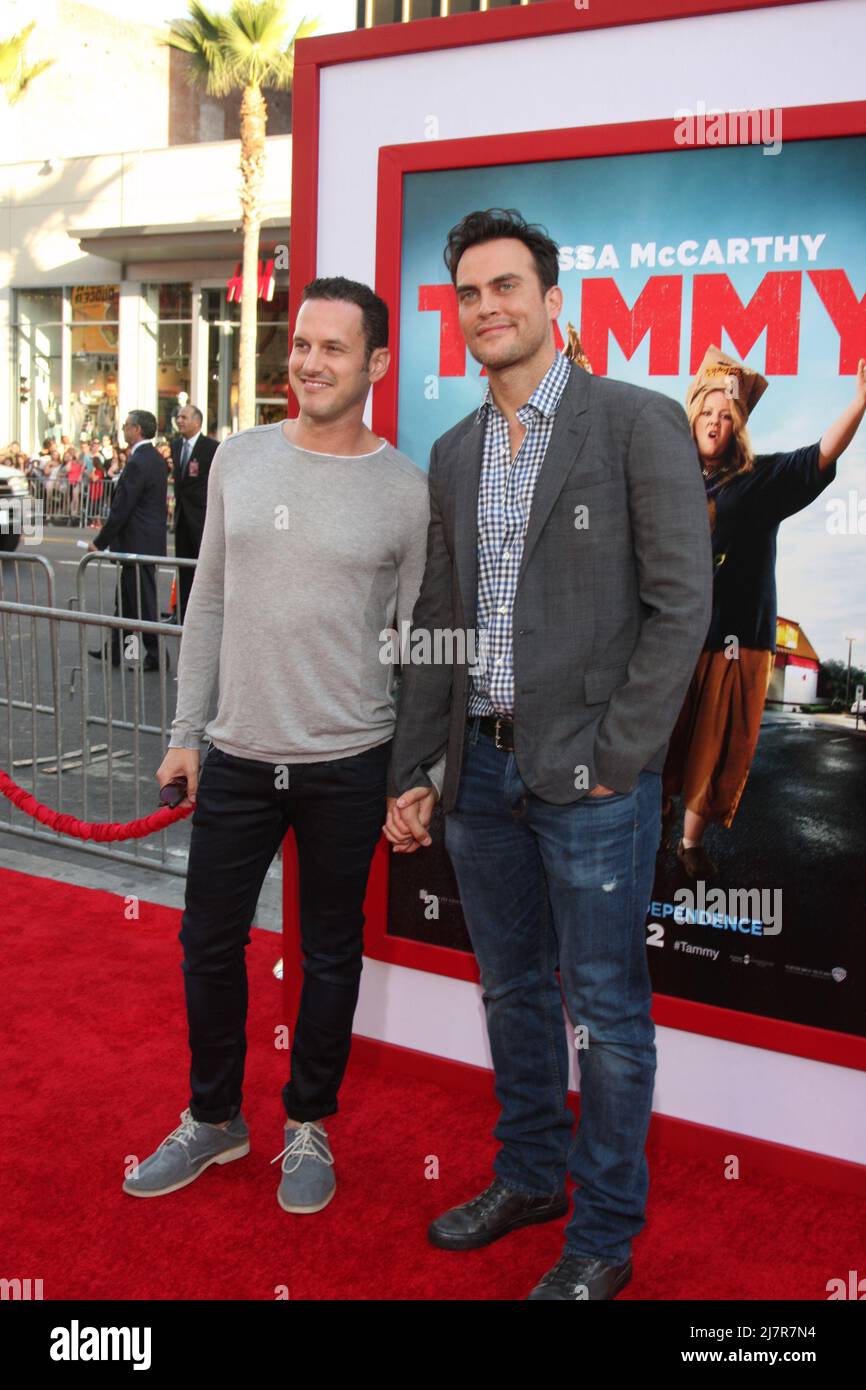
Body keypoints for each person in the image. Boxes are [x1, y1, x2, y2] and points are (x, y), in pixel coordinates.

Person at [384, 208, 713, 1301]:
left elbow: (680, 608)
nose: (486, 307)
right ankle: (528, 1176)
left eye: (505, 287)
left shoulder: (634, 422)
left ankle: (604, 1232)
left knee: (608, 1013)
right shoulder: (454, 448)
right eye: (468, 292)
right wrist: (416, 770)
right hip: (476, 774)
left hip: (589, 782)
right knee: (511, 991)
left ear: (551, 299)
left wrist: (619, 757)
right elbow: (437, 616)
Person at [125, 276, 444, 1216]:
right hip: (236, 754)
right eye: (300, 344)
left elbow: (417, 644)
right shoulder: (239, 462)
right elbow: (210, 600)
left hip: (350, 762)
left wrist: (414, 772)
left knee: (330, 954)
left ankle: (309, 1120)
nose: (307, 363)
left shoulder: (403, 489)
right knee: (206, 945)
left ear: (376, 364)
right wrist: (186, 734)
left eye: (332, 349)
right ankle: (215, 1117)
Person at [661, 347, 866, 877]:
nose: (715, 421)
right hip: (670, 640)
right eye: (707, 412)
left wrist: (860, 403)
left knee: (711, 747)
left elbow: (818, 457)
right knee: (659, 746)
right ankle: (649, 829)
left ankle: (688, 845)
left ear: (738, 427)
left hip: (733, 641)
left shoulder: (758, 480)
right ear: (692, 418)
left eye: (726, 416)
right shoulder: (667, 480)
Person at [86, 409, 168, 671]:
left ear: (137, 430)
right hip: (143, 541)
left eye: (126, 425)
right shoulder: (152, 458)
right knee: (126, 603)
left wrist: (100, 541)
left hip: (138, 544)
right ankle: (116, 650)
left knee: (142, 603)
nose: (123, 429)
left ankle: (156, 655)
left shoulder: (139, 461)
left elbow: (123, 507)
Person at [169, 404, 218, 622]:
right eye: (178, 417)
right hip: (182, 519)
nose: (180, 420)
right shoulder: (176, 445)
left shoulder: (211, 447)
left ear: (197, 422)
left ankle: (202, 614)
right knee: (183, 568)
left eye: (184, 417)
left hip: (201, 520)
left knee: (203, 569)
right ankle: (182, 612)